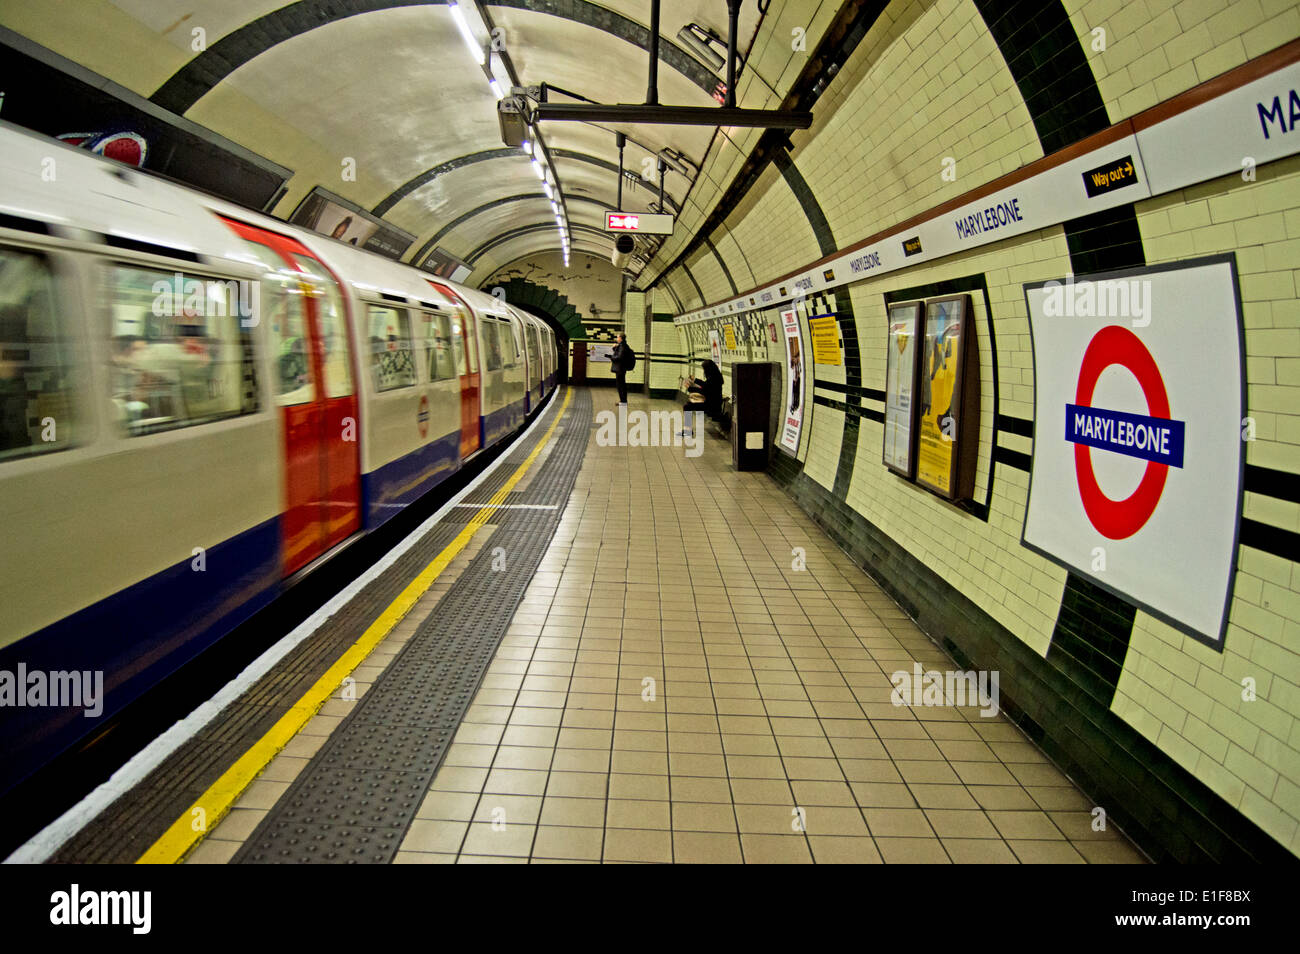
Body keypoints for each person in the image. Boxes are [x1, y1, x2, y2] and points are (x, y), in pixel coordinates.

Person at [682, 358, 723, 434]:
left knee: (687, 407)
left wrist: (690, 388)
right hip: (713, 403)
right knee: (688, 405)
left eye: (704, 369)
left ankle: (688, 430)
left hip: (712, 406)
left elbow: (705, 391)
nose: (704, 371)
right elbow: (706, 386)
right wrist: (695, 380)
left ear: (708, 369)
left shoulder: (713, 378)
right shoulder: (716, 376)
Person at [610, 332, 634, 404]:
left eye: (617, 337)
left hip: (620, 368)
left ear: (620, 338)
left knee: (620, 385)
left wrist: (612, 358)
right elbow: (620, 354)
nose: (617, 339)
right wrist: (615, 348)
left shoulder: (622, 346)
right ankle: (623, 400)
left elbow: (620, 357)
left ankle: (623, 401)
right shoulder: (623, 345)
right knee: (621, 384)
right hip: (621, 368)